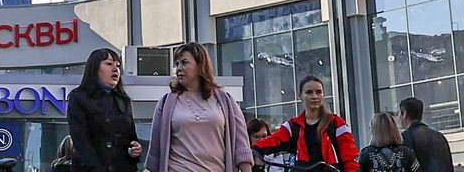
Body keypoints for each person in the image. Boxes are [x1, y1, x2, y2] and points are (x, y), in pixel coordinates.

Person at [147, 43, 250, 172]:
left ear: (200, 65)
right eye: (177, 64)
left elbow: (242, 147)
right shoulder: (166, 103)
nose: (179, 68)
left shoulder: (225, 100)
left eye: (184, 62)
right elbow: (155, 153)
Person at [250, 77, 358, 172]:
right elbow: (274, 140)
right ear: (300, 96)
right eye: (309, 92)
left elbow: (349, 158)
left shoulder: (337, 123)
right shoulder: (293, 126)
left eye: (318, 92)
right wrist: (252, 150)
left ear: (324, 95)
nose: (314, 96)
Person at [66, 49, 140, 172]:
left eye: (118, 65)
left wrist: (135, 150)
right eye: (109, 64)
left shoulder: (123, 100)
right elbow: (81, 141)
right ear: (95, 68)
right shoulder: (79, 98)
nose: (115, 69)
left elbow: (130, 137)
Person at [394, 100, 449, 172]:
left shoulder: (404, 138)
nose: (398, 118)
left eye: (399, 114)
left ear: (404, 114)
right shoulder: (439, 137)